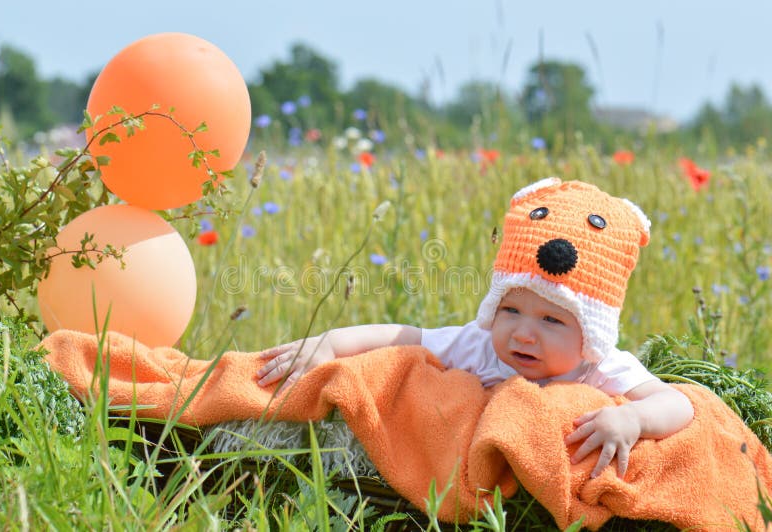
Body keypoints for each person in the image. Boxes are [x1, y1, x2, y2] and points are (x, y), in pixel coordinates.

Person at [256, 177, 694, 479]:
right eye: (511, 310)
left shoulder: (599, 367)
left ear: (590, 334)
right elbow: (405, 336)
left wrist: (631, 417)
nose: (523, 333)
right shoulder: (480, 345)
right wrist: (329, 343)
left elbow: (677, 403)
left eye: (551, 320)